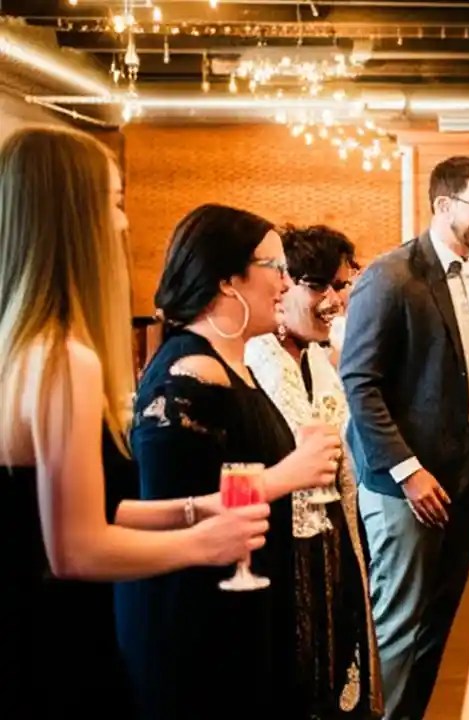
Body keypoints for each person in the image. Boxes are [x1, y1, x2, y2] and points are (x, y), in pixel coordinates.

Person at [0, 126, 272, 717]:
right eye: (116, 202)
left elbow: (83, 509)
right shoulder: (64, 358)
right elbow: (74, 548)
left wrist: (196, 509)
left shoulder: (23, 348)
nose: (125, 225)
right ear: (73, 215)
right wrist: (202, 543)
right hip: (61, 649)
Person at [116, 204, 341, 719]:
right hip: (199, 621)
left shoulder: (232, 363)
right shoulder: (193, 370)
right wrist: (290, 474)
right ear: (226, 280)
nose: (285, 284)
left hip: (241, 603)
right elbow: (172, 505)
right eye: (274, 267)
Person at [341, 155, 469, 718]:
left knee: (440, 615)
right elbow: (360, 382)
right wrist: (407, 470)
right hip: (405, 483)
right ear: (443, 205)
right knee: (400, 621)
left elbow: (467, 366)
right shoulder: (391, 275)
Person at [245, 224, 381, 717]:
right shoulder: (254, 361)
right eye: (320, 285)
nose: (334, 301)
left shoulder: (319, 360)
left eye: (342, 286)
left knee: (336, 657)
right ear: (284, 288)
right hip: (279, 542)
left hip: (331, 534)